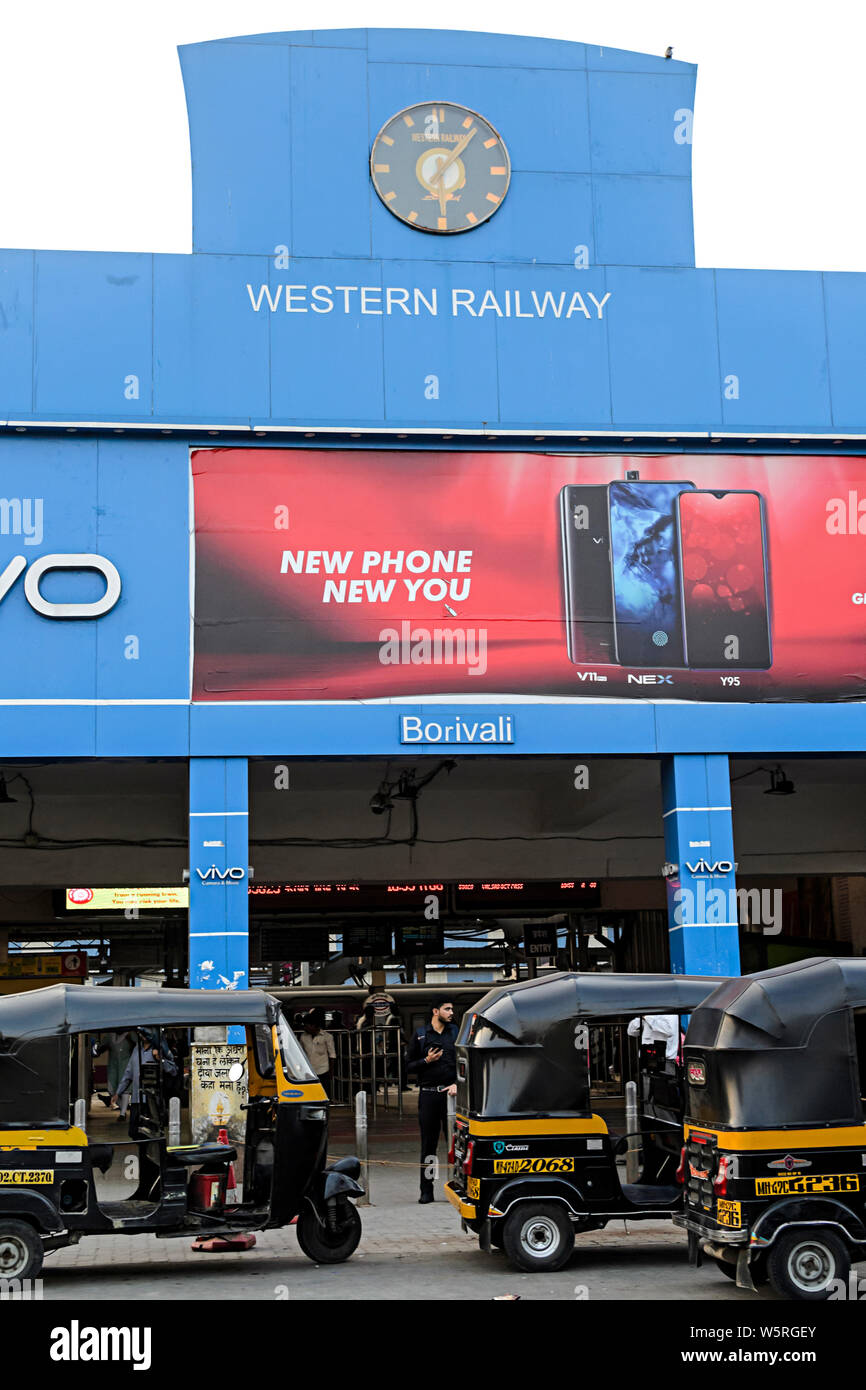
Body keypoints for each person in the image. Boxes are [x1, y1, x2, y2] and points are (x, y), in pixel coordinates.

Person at [405, 999, 458, 1204]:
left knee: (456, 1144)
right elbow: (407, 1066)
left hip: (451, 1096)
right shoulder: (420, 1035)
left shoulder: (454, 1032)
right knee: (429, 1145)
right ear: (436, 1011)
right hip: (428, 1095)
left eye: (452, 1009)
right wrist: (426, 1061)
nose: (451, 1012)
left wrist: (457, 1084)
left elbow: (466, 1060)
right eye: (447, 1009)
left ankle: (457, 1185)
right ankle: (427, 1190)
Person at [112, 1028, 178, 1140]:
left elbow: (173, 1070)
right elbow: (128, 1074)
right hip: (137, 1100)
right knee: (134, 1132)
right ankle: (143, 1155)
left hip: (152, 1100)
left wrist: (159, 1059)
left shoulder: (160, 1049)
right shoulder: (137, 1049)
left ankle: (153, 1155)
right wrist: (118, 1092)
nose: (142, 1036)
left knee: (152, 1134)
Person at [299, 1008, 336, 1094]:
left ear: (313, 1025)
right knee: (310, 1093)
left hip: (323, 1070)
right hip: (308, 1071)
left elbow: (332, 1055)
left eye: (306, 1025)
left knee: (324, 1093)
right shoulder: (303, 1037)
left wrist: (331, 1071)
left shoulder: (327, 1037)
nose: (304, 1028)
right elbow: (301, 1054)